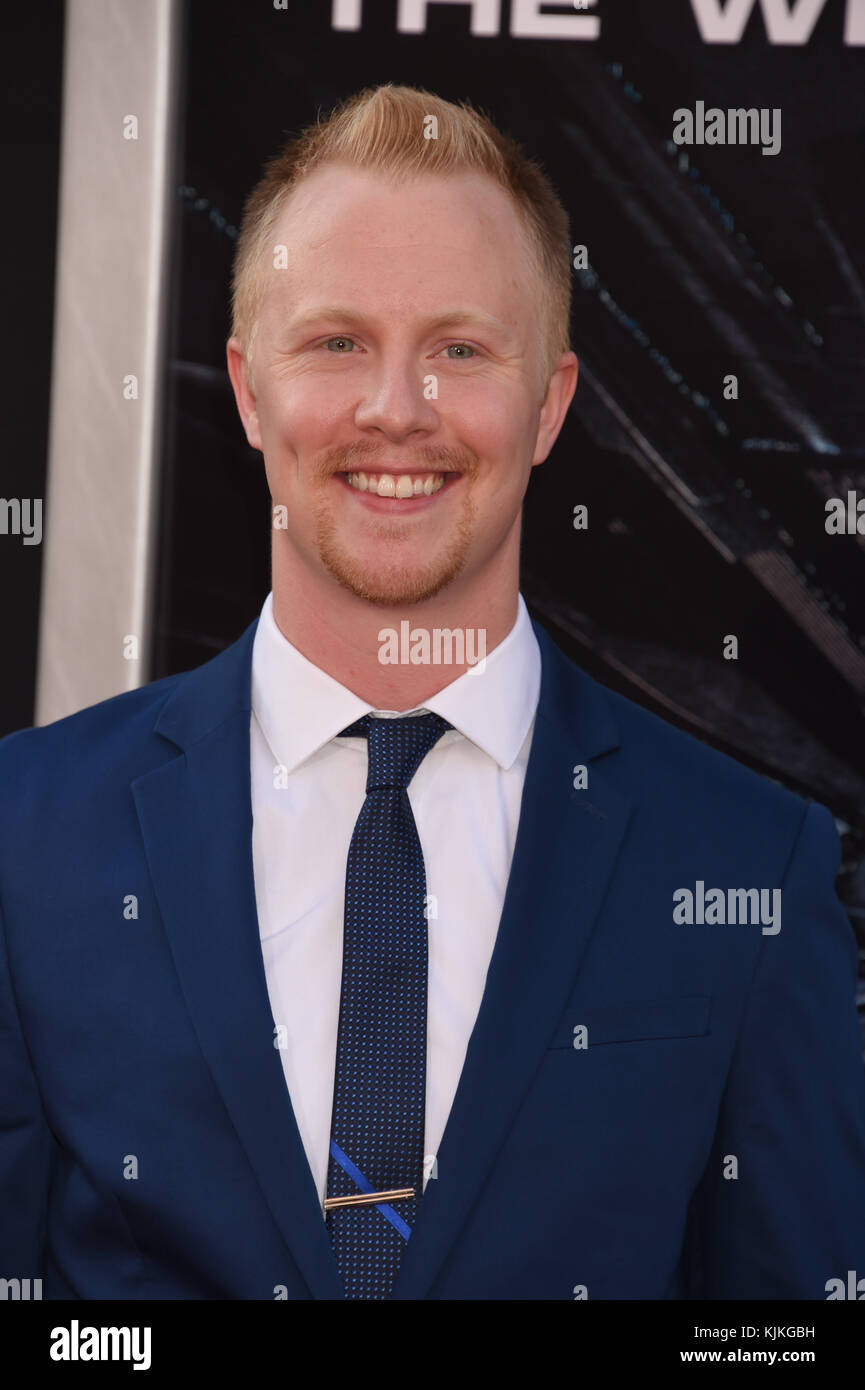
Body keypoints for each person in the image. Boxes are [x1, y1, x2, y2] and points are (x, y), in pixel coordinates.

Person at [1, 84, 863, 1302]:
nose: (395, 410)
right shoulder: (24, 835)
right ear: (249, 391)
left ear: (550, 403)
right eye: (336, 341)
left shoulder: (746, 865)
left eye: (460, 348)